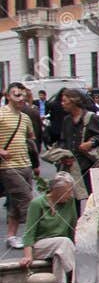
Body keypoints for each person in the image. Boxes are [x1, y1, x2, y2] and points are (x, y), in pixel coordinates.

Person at [18, 174, 78, 283]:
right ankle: (77, 274)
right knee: (63, 242)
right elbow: (29, 232)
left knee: (60, 256)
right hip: (40, 245)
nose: (70, 195)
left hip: (62, 248)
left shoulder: (70, 202)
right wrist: (28, 256)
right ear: (57, 191)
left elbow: (73, 227)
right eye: (68, 191)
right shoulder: (37, 204)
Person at [0, 83, 38, 248]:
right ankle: (34, 238)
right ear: (7, 96)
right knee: (28, 201)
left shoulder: (25, 117)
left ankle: (11, 237)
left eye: (23, 95)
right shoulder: (1, 114)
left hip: (26, 165)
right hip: (8, 166)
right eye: (16, 95)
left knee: (15, 203)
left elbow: (31, 140)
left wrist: (35, 164)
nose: (21, 98)